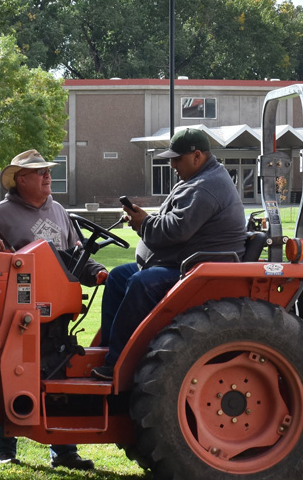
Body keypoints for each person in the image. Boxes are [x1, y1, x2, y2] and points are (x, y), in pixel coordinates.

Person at [0, 148, 104, 471]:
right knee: (10, 374)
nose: (47, 176)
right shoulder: (0, 213)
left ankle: (64, 450)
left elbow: (76, 254)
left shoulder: (60, 213)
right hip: (17, 312)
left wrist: (97, 272)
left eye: (47, 171)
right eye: (39, 172)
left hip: (57, 310)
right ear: (21, 179)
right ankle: (3, 447)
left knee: (57, 373)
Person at [90, 128, 246, 381]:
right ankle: (106, 350)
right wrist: (146, 220)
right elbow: (173, 221)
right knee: (118, 276)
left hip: (195, 269)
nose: (173, 165)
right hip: (177, 262)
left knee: (141, 283)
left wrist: (144, 224)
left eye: (177, 159)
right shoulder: (196, 180)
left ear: (197, 156)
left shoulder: (206, 186)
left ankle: (119, 364)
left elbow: (176, 231)